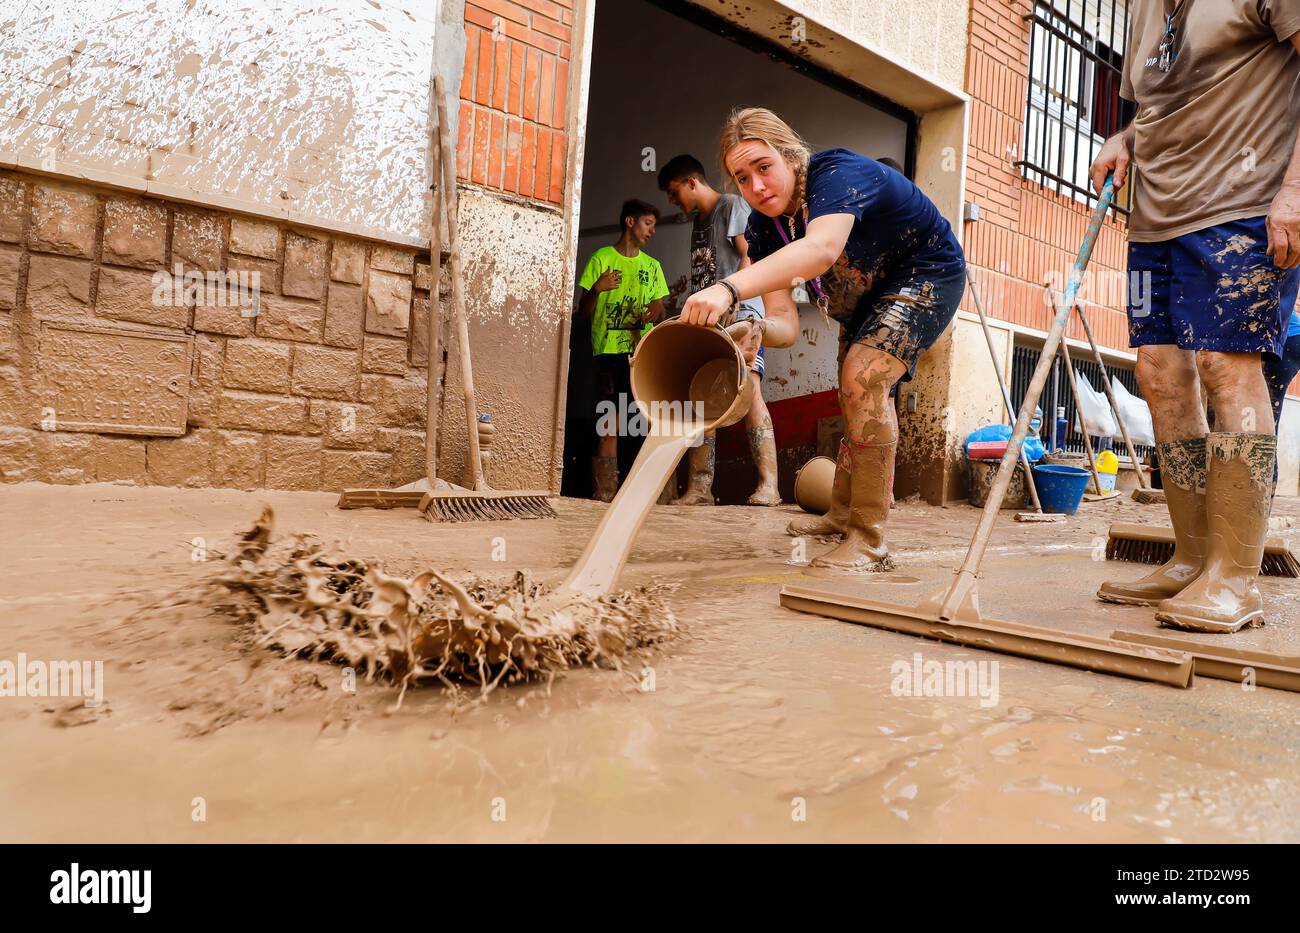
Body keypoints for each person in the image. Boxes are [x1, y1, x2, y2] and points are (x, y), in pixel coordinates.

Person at [678, 108, 966, 572]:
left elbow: (821, 250)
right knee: (850, 393)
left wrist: (728, 288)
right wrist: (753, 330)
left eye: (764, 167)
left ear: (791, 156)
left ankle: (868, 539)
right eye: (742, 178)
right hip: (867, 300)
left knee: (863, 381)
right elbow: (785, 323)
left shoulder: (836, 173)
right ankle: (842, 513)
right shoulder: (763, 229)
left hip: (927, 274)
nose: (756, 186)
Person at [1090, 1, 1300, 632]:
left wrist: (1296, 190)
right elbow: (1157, 105)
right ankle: (1191, 560)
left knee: (1225, 365)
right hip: (1155, 222)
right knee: (1157, 372)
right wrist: (1124, 138)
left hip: (1244, 204)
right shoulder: (1144, 9)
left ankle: (1235, 580)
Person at [657, 153, 780, 507]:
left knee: (750, 391)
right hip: (711, 322)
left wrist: (733, 302)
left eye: (673, 191)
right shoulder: (698, 223)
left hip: (742, 315)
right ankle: (700, 488)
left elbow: (749, 257)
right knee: (703, 397)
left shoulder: (731, 206)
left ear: (692, 182)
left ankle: (769, 485)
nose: (672, 200)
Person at [577, 199, 669, 501]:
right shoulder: (601, 258)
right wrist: (597, 289)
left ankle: (646, 496)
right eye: (648, 223)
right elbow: (582, 313)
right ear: (630, 222)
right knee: (610, 424)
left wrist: (656, 309)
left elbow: (661, 310)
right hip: (607, 355)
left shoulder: (652, 267)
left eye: (654, 226)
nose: (652, 231)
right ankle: (605, 495)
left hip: (642, 355)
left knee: (647, 422)